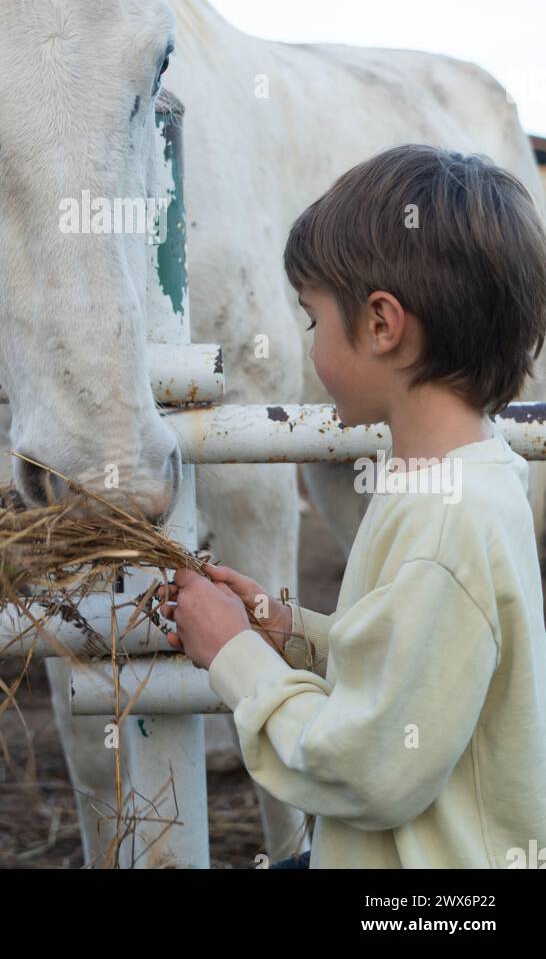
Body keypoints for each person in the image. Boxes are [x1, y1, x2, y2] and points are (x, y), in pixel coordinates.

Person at [158, 143, 546, 869]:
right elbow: (410, 668)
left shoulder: (446, 521)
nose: (309, 346)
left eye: (312, 320)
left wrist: (233, 655)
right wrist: (285, 631)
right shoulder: (463, 477)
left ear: (381, 325)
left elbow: (370, 769)